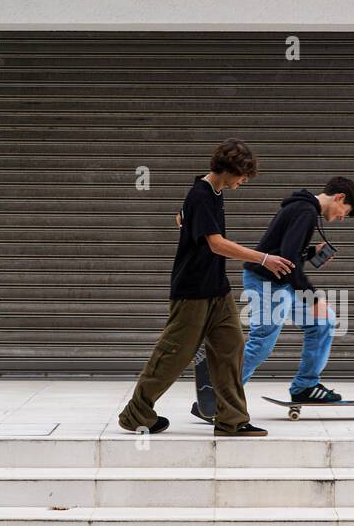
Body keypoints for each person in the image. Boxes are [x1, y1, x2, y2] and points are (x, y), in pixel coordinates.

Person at [118, 139, 293, 437]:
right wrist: (263, 258)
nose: (244, 181)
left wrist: (184, 221)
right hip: (193, 290)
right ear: (228, 169)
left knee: (232, 347)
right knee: (175, 353)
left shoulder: (213, 192)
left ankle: (232, 420)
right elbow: (216, 244)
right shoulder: (201, 194)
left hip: (217, 290)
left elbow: (182, 219)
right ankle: (136, 413)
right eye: (242, 175)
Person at [192, 178, 354, 419]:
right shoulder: (306, 211)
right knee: (262, 343)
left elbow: (284, 250)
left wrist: (311, 252)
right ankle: (219, 398)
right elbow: (289, 259)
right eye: (346, 212)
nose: (342, 217)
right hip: (266, 281)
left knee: (324, 322)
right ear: (340, 197)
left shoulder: (303, 209)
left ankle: (305, 387)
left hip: (281, 282)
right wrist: (314, 299)